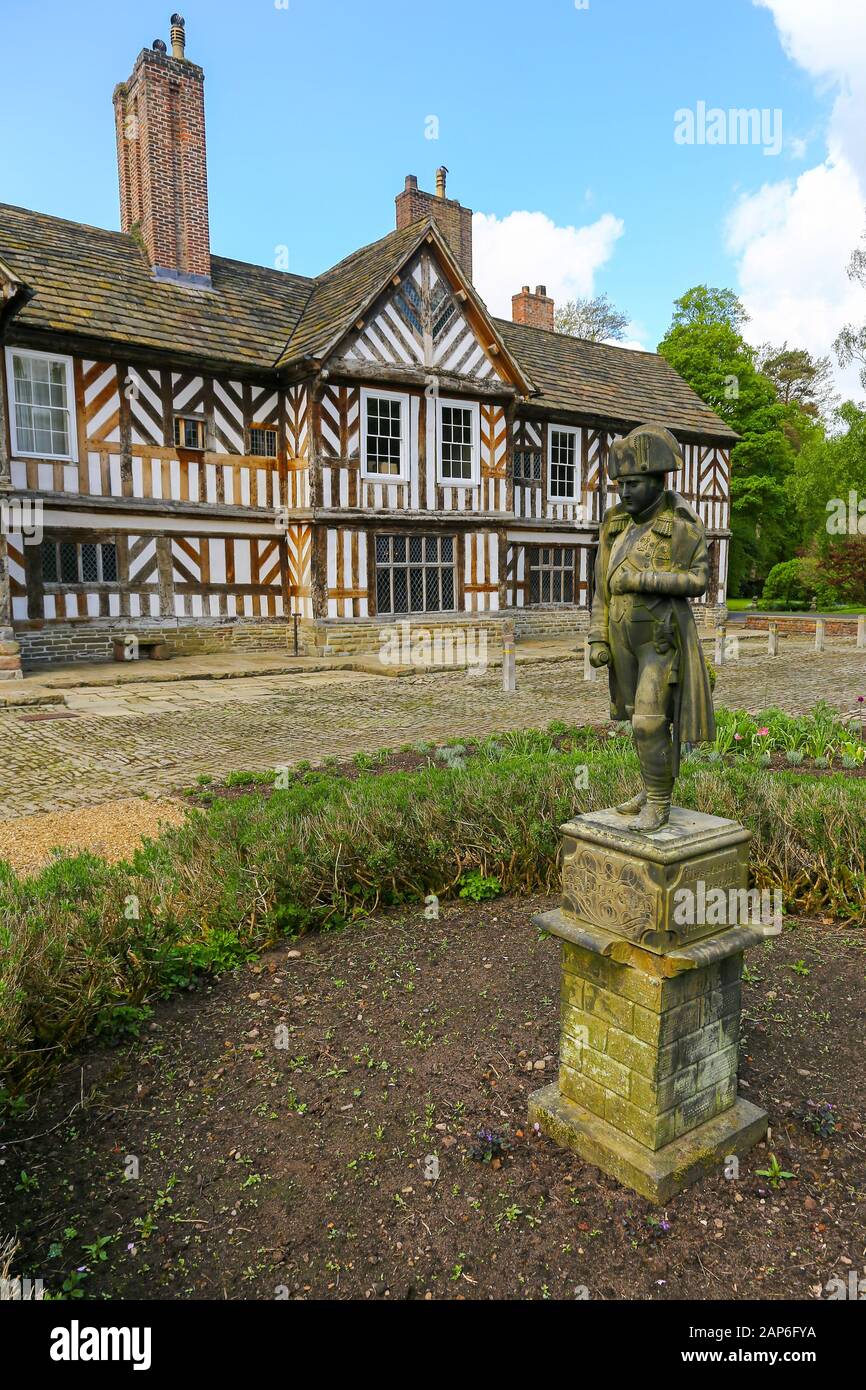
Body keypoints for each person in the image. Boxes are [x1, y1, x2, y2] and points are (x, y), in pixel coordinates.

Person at [588, 423, 716, 831]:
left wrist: (645, 580)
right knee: (638, 721)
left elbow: (698, 582)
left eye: (634, 483)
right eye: (621, 484)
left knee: (648, 720)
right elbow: (601, 590)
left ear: (657, 481)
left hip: (662, 643)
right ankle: (650, 785)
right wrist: (598, 635)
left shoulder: (680, 525)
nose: (624, 492)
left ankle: (659, 803)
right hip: (624, 639)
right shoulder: (613, 525)